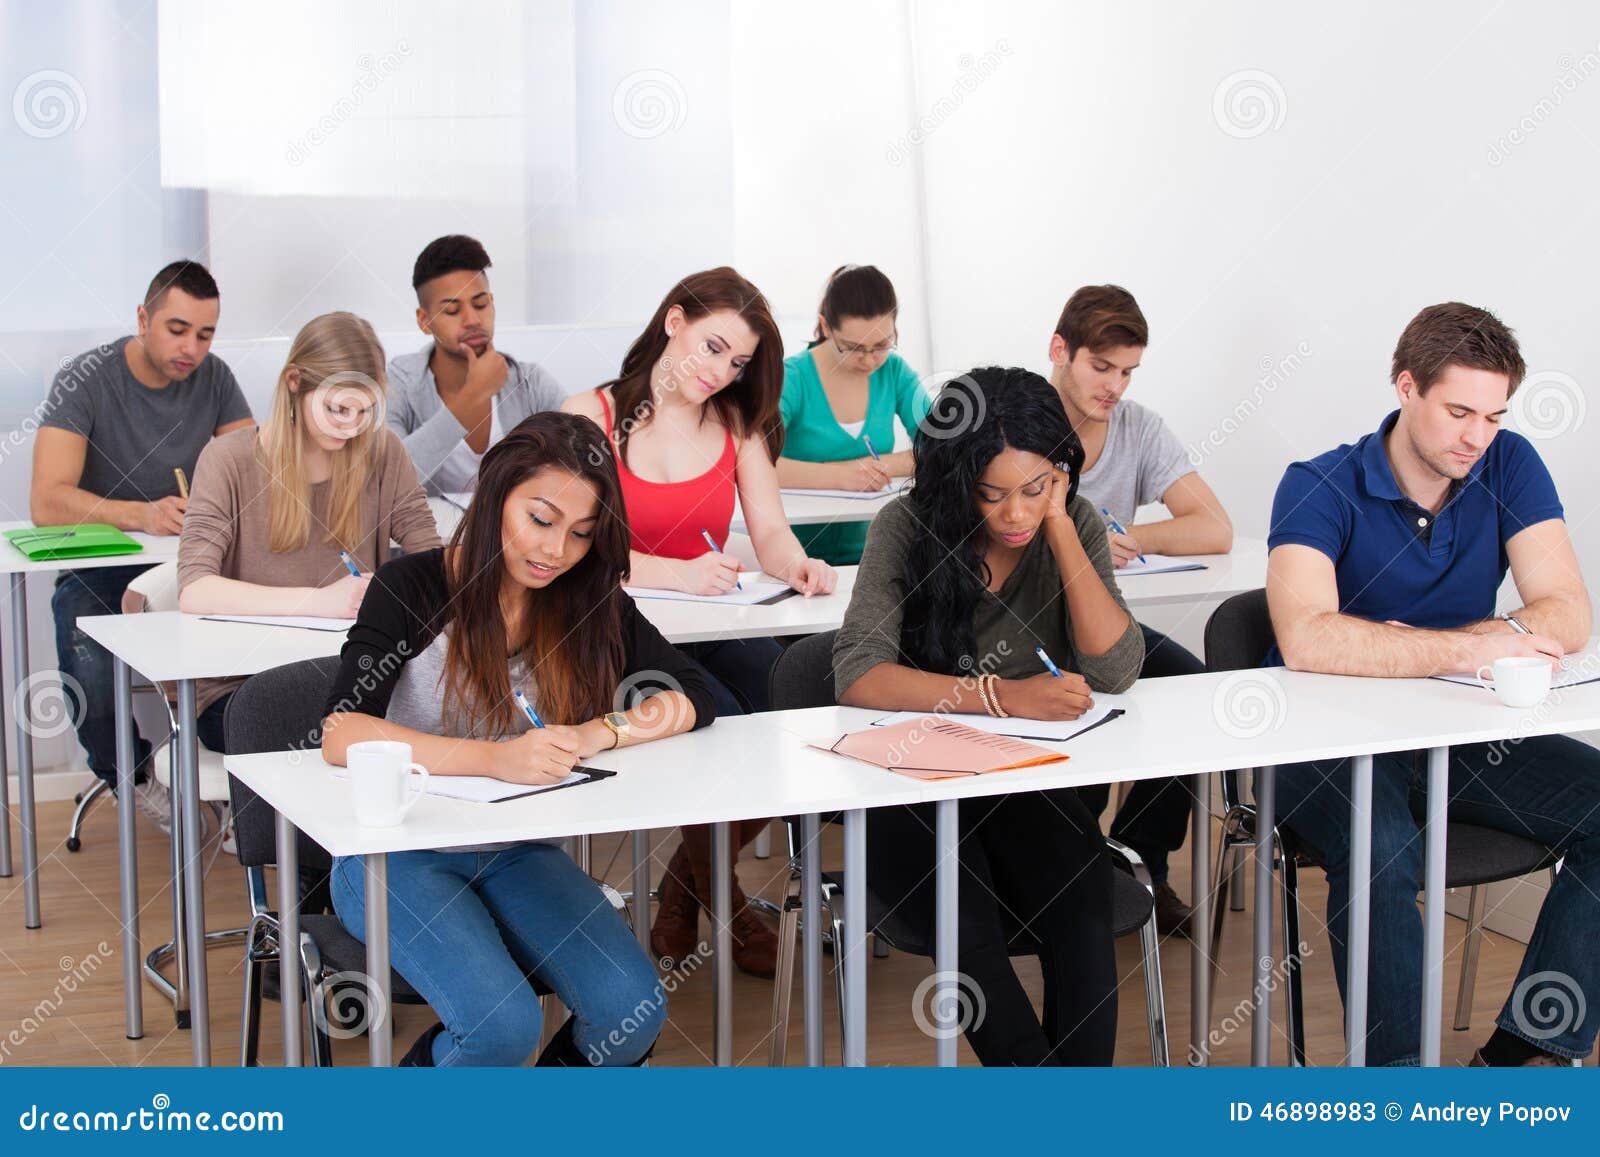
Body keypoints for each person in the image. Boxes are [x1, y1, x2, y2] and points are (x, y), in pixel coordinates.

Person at [321, 412, 716, 1066]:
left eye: (581, 534)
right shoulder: (414, 586)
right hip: (393, 853)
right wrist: (495, 759)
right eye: (540, 519)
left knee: (632, 1007)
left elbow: (693, 693)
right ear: (495, 497)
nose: (556, 550)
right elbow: (341, 731)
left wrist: (594, 732)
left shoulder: (586, 600)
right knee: (501, 1026)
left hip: (513, 851)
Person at [1267, 302, 1599, 1067]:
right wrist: (1476, 645)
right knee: (1386, 853)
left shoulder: (1508, 463)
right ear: (1406, 386)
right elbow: (1308, 637)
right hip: (1329, 743)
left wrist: (1420, 646)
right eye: (1458, 411)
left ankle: (1526, 1054)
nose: (1476, 437)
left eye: (1492, 414)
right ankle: (1400, 1094)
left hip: (1462, 735)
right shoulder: (1317, 484)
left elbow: (1569, 613)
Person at [833, 366, 1143, 1065]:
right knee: (964, 923)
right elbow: (858, 673)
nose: (1014, 515)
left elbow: (1116, 667)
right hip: (911, 786)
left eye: (1035, 489)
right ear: (955, 482)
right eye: (991, 494)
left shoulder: (1072, 523)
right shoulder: (905, 527)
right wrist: (1004, 696)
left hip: (1025, 780)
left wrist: (1061, 525)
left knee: (1084, 901)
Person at [562, 266, 836, 979]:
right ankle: (728, 902)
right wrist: (674, 572)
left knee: (786, 709)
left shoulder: (737, 427)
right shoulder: (590, 417)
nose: (721, 372)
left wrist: (796, 564)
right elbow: (567, 548)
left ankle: (689, 882)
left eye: (738, 362)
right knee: (716, 716)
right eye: (713, 347)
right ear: (673, 321)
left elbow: (770, 532)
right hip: (614, 627)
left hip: (711, 622)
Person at [31, 260, 253, 815]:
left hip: (192, 565)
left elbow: (256, 475)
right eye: (177, 329)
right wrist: (140, 514)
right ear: (143, 319)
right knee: (87, 655)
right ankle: (130, 778)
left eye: (205, 335)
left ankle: (235, 782)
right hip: (105, 566)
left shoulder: (216, 378)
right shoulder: (86, 378)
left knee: (250, 644)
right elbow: (46, 501)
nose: (192, 349)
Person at [1047, 284, 1232, 934]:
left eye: (1127, 372)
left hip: (1107, 627)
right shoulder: (1020, 421)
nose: (1115, 386)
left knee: (1191, 691)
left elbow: (1214, 526)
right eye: (1102, 367)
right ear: (1060, 350)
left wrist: (1133, 536)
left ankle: (1137, 856)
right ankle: (1066, 869)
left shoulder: (1137, 427)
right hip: (1026, 630)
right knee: (1078, 707)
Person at [177, 311, 440, 751]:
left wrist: (401, 593)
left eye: (366, 411)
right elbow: (194, 590)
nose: (352, 425)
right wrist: (321, 601)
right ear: (295, 382)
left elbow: (432, 563)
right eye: (338, 408)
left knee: (421, 727)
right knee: (338, 738)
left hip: (351, 679)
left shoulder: (384, 454)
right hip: (243, 688)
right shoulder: (228, 460)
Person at [387, 235, 566, 497]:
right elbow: (388, 484)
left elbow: (581, 461)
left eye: (480, 304)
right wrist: (474, 396)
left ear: (492, 304)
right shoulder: (398, 384)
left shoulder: (531, 383)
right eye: (452, 310)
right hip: (433, 537)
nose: (472, 319)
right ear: (424, 320)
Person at [776, 264, 930, 564]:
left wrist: (877, 466)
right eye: (853, 347)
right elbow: (752, 462)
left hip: (873, 554)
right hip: (792, 555)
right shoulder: (791, 378)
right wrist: (842, 476)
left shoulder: (895, 372)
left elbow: (943, 445)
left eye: (882, 344)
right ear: (825, 326)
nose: (870, 359)